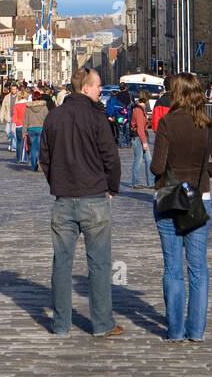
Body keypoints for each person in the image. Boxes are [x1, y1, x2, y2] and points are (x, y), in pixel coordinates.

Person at [39, 66, 122, 338]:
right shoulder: (97, 118)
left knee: (61, 264)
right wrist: (112, 187)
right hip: (94, 198)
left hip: (64, 199)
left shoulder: (54, 117)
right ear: (86, 88)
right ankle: (101, 323)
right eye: (98, 86)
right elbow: (111, 158)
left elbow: (45, 159)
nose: (101, 90)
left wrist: (57, 184)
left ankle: (61, 325)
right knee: (99, 264)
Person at [150, 71, 212, 343]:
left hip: (169, 199)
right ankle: (196, 330)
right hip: (199, 199)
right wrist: (200, 173)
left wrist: (174, 172)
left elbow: (157, 167)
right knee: (198, 268)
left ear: (178, 93)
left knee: (172, 268)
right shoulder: (207, 124)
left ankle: (175, 330)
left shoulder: (167, 123)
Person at [130, 91, 153, 189]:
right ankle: (135, 182)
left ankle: (151, 182)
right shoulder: (138, 110)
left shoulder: (141, 109)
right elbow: (139, 128)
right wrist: (144, 142)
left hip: (141, 136)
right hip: (138, 137)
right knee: (138, 160)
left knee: (148, 159)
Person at [24, 91, 49, 171]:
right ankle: (40, 162)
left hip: (31, 129)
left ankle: (34, 165)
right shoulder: (44, 107)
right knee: (40, 147)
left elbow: (25, 120)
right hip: (41, 128)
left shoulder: (28, 108)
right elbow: (47, 119)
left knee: (33, 148)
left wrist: (24, 131)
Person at [0, 83, 18, 151]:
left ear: (16, 90)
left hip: (16, 117)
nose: (13, 90)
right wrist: (1, 117)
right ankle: (10, 143)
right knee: (7, 132)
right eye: (12, 89)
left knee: (14, 132)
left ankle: (14, 146)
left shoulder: (19, 97)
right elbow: (3, 107)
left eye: (14, 89)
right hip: (8, 116)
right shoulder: (7, 97)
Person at [12, 91, 28, 163]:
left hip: (19, 125)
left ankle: (18, 158)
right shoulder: (28, 104)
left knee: (19, 142)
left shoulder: (16, 105)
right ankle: (26, 158)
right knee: (26, 143)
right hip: (27, 125)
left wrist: (12, 126)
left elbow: (14, 116)